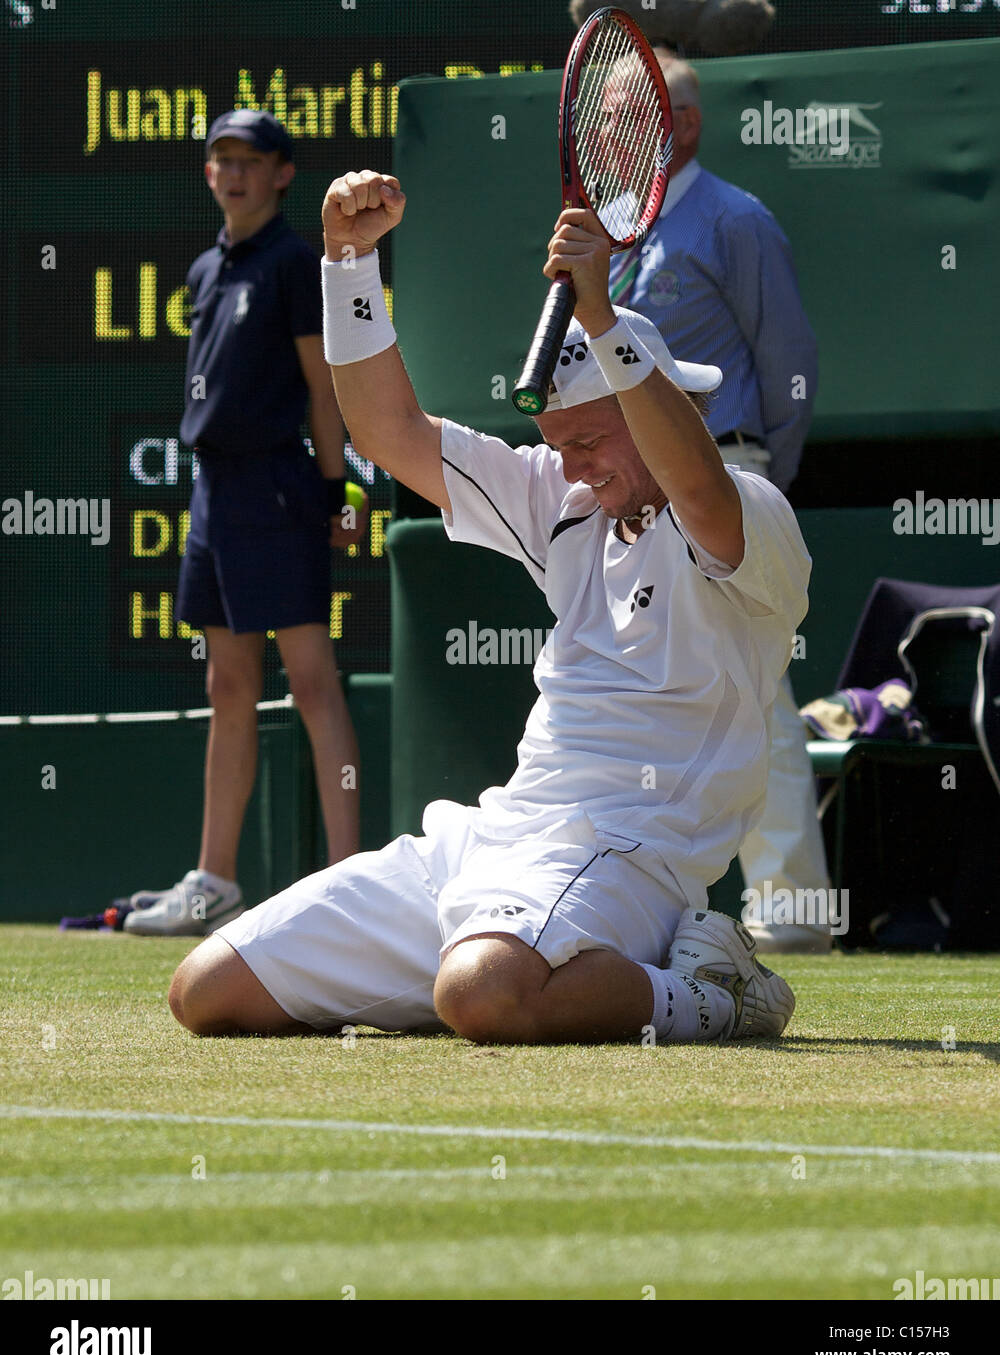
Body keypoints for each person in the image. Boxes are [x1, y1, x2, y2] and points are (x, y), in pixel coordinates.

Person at [166, 168, 809, 1047]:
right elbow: (392, 434)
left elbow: (693, 484)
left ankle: (714, 997)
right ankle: (522, 966)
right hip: (491, 837)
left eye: (589, 440)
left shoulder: (748, 510)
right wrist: (350, 264)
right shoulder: (563, 501)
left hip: (628, 856)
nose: (572, 464)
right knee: (208, 990)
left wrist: (601, 321)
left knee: (485, 998)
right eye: (558, 444)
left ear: (673, 405)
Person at [126, 112, 366, 938]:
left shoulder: (296, 264)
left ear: (282, 174)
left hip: (276, 488)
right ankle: (214, 883)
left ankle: (347, 883)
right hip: (213, 494)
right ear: (209, 174)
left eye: (249, 161)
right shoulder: (206, 269)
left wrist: (336, 489)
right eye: (221, 160)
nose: (233, 173)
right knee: (226, 685)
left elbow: (323, 387)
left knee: (310, 681)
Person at [610, 57, 831, 952]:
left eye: (630, 118)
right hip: (625, 497)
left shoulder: (735, 219)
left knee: (756, 689)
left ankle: (789, 907)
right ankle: (636, 900)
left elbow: (790, 365)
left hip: (721, 479)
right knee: (632, 688)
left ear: (685, 127)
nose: (611, 137)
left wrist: (751, 473)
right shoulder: (611, 237)